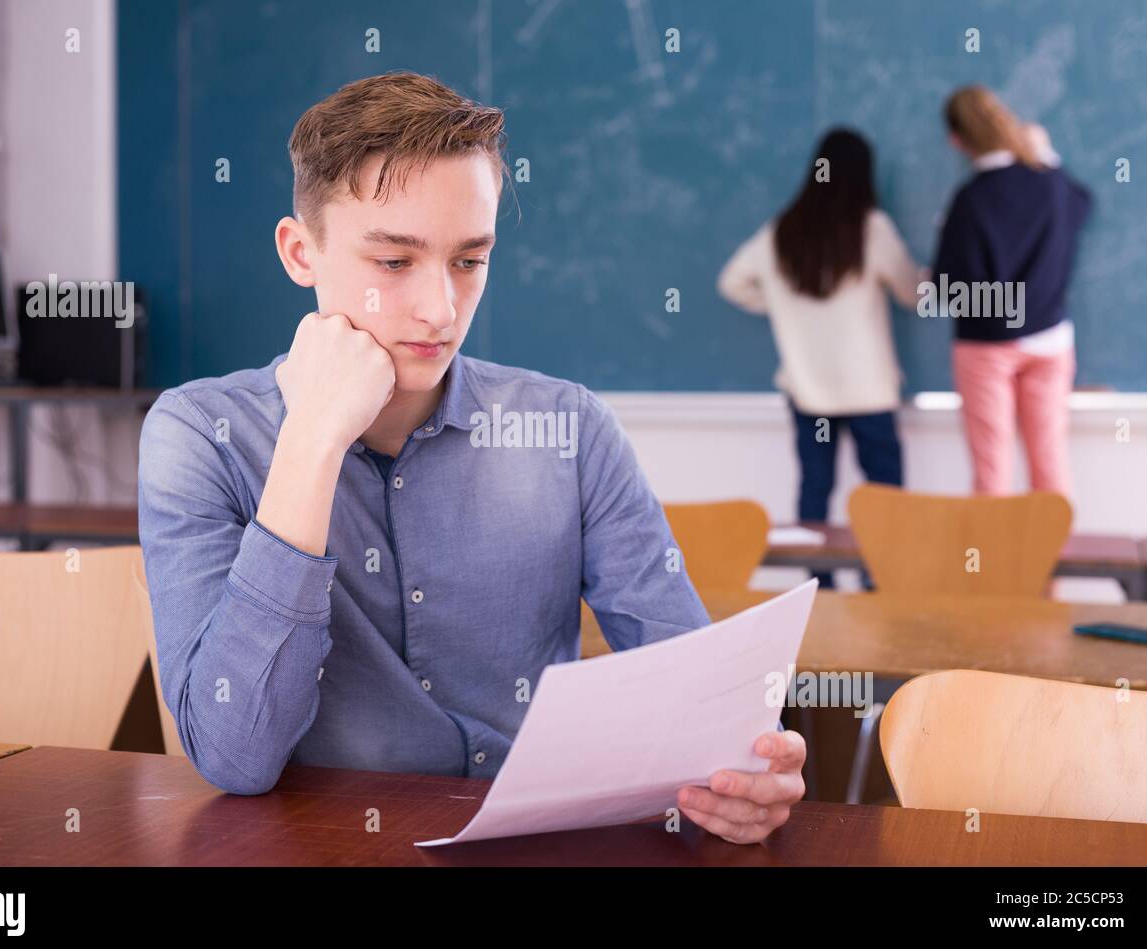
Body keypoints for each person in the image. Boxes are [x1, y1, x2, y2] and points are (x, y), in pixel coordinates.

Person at [137, 71, 806, 844]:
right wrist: (313, 440)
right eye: (394, 263)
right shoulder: (198, 435)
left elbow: (697, 703)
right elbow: (235, 756)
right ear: (301, 253)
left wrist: (744, 773)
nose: (440, 309)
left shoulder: (569, 428)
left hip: (532, 853)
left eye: (468, 260)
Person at [717, 128, 924, 587]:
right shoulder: (871, 228)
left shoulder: (782, 230)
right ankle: (881, 586)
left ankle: (820, 590)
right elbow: (911, 293)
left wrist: (780, 304)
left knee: (815, 491)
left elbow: (731, 281)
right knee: (886, 498)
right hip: (869, 390)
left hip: (809, 390)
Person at [935, 86, 1093, 496]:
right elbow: (1084, 205)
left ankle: (990, 562)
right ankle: (1055, 558)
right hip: (1050, 338)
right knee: (1050, 461)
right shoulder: (1051, 183)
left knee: (992, 469)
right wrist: (1047, 157)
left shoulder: (971, 201)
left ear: (956, 140)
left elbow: (951, 290)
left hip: (987, 345)